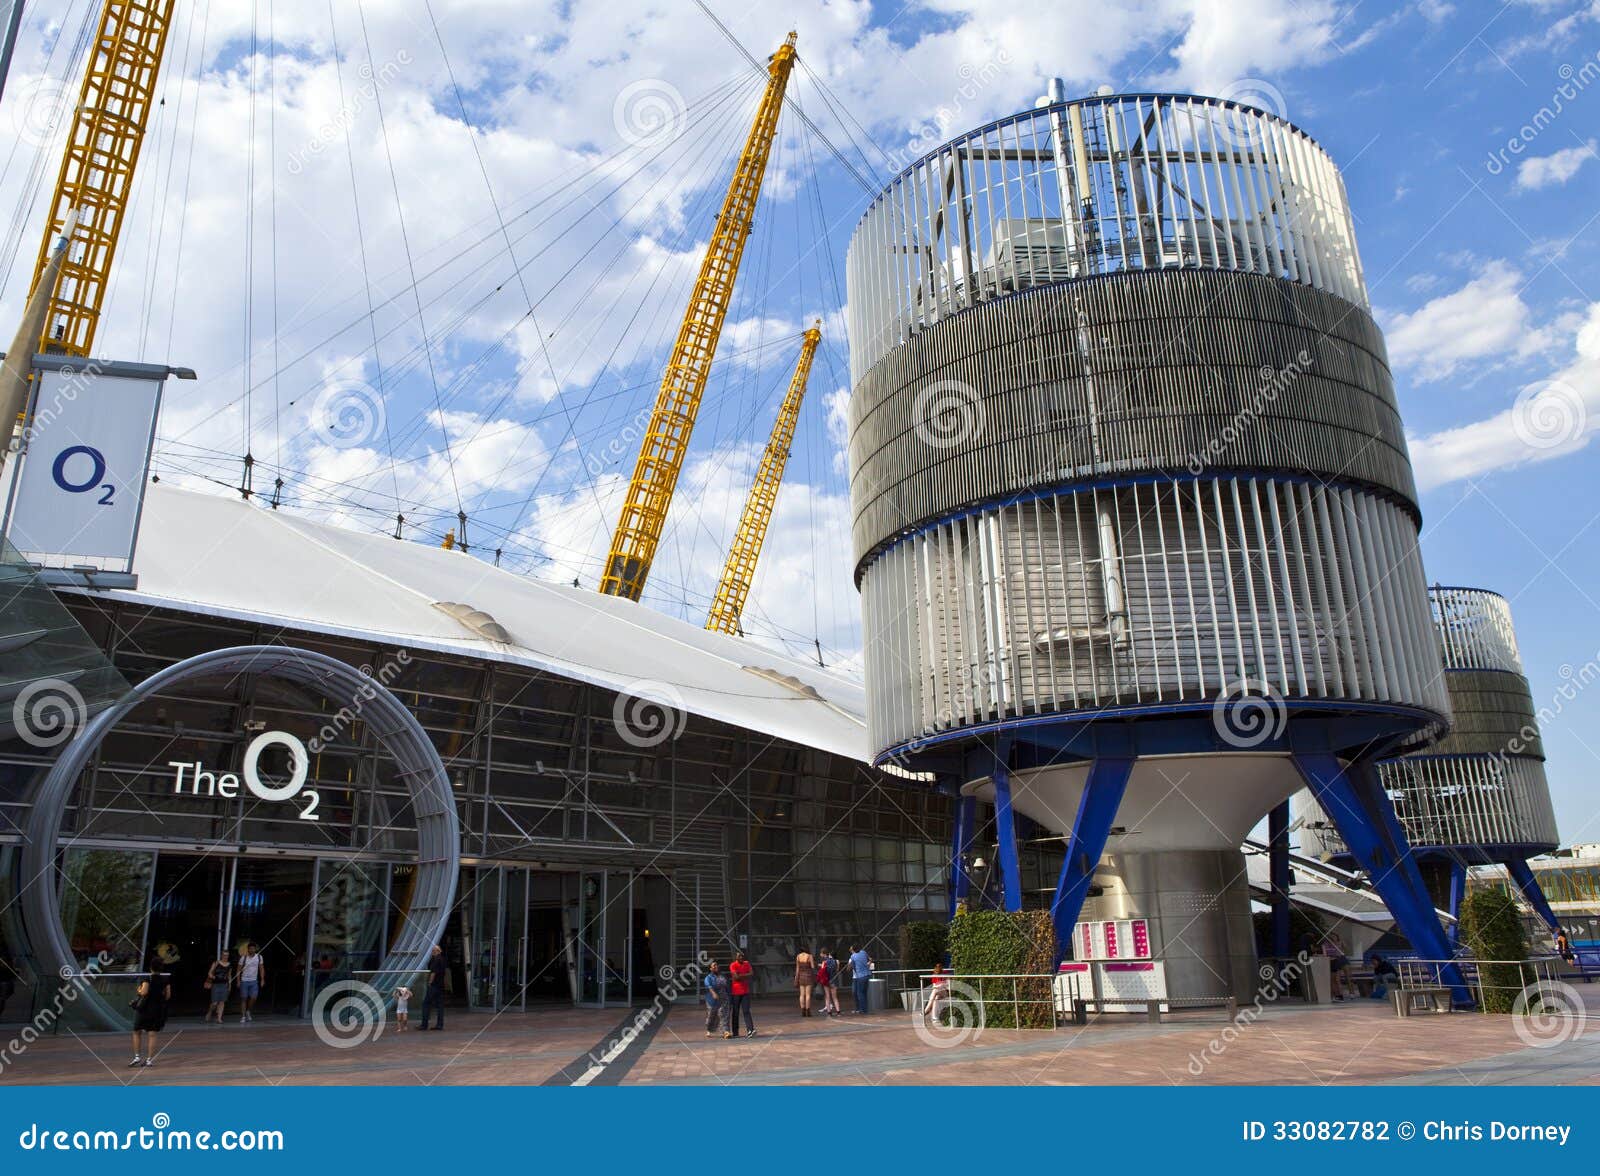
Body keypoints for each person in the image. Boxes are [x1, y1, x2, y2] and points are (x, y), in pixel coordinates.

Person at [129, 955, 171, 1069]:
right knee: (152, 1034)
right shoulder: (165, 980)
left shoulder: (147, 978)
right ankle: (149, 1060)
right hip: (157, 1010)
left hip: (144, 1009)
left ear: (151, 967)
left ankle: (137, 1056)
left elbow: (143, 992)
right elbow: (168, 996)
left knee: (137, 1031)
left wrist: (138, 989)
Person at [727, 949, 756, 1038]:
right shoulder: (733, 965)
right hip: (735, 992)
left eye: (742, 956)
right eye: (739, 956)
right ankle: (735, 1032)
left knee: (746, 1011)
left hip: (745, 992)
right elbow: (735, 977)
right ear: (735, 957)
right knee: (735, 1012)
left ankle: (750, 1030)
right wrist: (745, 975)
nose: (741, 957)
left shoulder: (746, 963)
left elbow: (751, 973)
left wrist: (740, 975)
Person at [418, 944, 448, 1030]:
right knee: (440, 1006)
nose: (432, 953)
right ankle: (439, 1025)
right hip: (440, 985)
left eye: (433, 951)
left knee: (426, 1004)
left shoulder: (436, 960)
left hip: (434, 985)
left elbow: (433, 973)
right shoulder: (443, 959)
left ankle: (424, 1025)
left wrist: (430, 982)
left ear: (436, 951)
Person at [203, 948, 232, 1024]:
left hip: (224, 985)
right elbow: (209, 973)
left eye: (227, 955)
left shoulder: (229, 965)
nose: (225, 957)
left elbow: (229, 976)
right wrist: (214, 977)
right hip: (216, 985)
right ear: (221, 955)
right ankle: (209, 1012)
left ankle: (219, 1018)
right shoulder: (216, 963)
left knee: (222, 1002)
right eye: (224, 955)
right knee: (214, 1003)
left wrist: (230, 985)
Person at [237, 943, 264, 1023]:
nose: (252, 950)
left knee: (254, 997)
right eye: (250, 948)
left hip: (254, 981)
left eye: (253, 948)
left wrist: (262, 979)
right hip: (244, 980)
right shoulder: (243, 958)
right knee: (244, 998)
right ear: (248, 949)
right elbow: (238, 970)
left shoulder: (259, 957)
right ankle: (243, 1016)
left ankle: (248, 1011)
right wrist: (238, 981)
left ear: (255, 949)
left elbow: (261, 969)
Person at [702, 961, 728, 1038]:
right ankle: (709, 1029)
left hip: (723, 998)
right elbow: (709, 986)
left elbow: (726, 985)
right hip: (712, 1000)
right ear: (710, 968)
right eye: (714, 965)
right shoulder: (708, 978)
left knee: (723, 1014)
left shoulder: (722, 976)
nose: (716, 966)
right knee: (711, 1015)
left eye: (717, 965)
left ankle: (725, 1032)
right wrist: (713, 993)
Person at [1323, 932, 1348, 1001]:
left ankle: (1339, 996)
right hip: (1329, 962)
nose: (1333, 937)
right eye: (1331, 936)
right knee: (1333, 980)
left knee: (1336, 980)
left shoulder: (1336, 944)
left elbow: (1339, 953)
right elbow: (1325, 954)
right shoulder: (1325, 944)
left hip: (1335, 962)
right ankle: (1336, 995)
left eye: (1334, 936)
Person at [848, 944, 873, 1014]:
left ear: (853, 950)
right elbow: (869, 959)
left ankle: (863, 1009)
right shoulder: (863, 952)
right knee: (864, 992)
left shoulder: (853, 956)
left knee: (860, 993)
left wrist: (857, 973)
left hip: (860, 976)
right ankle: (866, 1009)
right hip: (867, 974)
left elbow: (853, 966)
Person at [815, 949, 840, 1016]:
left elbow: (822, 972)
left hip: (826, 981)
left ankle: (829, 1012)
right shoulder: (836, 961)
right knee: (835, 997)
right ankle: (838, 1011)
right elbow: (837, 970)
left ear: (829, 955)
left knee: (827, 996)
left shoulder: (824, 962)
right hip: (833, 981)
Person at [794, 947, 816, 1017]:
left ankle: (802, 1010)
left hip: (801, 977)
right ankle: (808, 1011)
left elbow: (797, 969)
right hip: (808, 976)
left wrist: (796, 978)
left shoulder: (798, 956)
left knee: (801, 995)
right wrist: (814, 977)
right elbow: (812, 967)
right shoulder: (809, 956)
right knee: (808, 995)